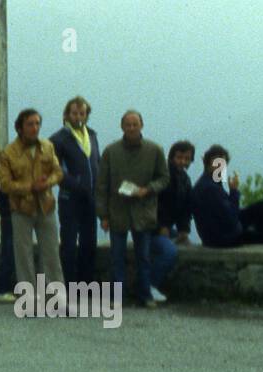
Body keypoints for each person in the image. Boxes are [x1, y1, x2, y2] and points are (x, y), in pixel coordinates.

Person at [96, 111, 169, 308]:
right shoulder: (110, 151)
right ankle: (116, 298)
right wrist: (102, 215)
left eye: (135, 124)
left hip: (143, 211)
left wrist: (148, 190)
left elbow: (164, 178)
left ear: (141, 125)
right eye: (128, 124)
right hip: (117, 211)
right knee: (116, 257)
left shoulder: (155, 150)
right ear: (122, 127)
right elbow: (102, 185)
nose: (131, 128)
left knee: (143, 257)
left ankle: (145, 295)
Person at [0, 109, 64, 302]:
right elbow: (4, 184)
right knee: (23, 255)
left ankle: (56, 296)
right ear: (20, 127)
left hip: (46, 206)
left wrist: (47, 183)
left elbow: (58, 172)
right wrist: (30, 187)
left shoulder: (47, 147)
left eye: (37, 124)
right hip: (21, 209)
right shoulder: (8, 154)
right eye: (30, 124)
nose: (35, 128)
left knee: (52, 252)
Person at [48, 96, 100, 283]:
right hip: (69, 199)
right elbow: (56, 169)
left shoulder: (92, 135)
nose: (78, 117)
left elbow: (97, 163)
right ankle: (68, 285)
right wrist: (76, 183)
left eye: (82, 113)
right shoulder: (58, 139)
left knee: (89, 243)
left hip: (91, 198)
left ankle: (86, 284)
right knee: (69, 244)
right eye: (74, 113)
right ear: (66, 115)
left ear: (86, 115)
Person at [191, 145, 263, 247]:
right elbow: (231, 219)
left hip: (216, 235)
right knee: (262, 237)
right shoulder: (209, 188)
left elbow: (227, 212)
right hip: (222, 239)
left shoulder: (209, 183)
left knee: (261, 207)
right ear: (207, 164)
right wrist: (234, 191)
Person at [150, 140, 195, 302]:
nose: (182, 162)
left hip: (167, 228)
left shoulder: (185, 179)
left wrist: (184, 230)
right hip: (150, 229)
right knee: (170, 252)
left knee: (187, 246)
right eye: (179, 157)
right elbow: (157, 204)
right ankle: (150, 285)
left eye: (187, 158)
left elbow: (186, 210)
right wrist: (161, 226)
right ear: (171, 158)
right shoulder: (164, 177)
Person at [0, 152, 17, 303]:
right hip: (9, 221)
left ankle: (8, 287)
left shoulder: (4, 182)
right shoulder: (4, 184)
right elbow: (2, 206)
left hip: (9, 220)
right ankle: (2, 289)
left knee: (10, 254)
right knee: (9, 254)